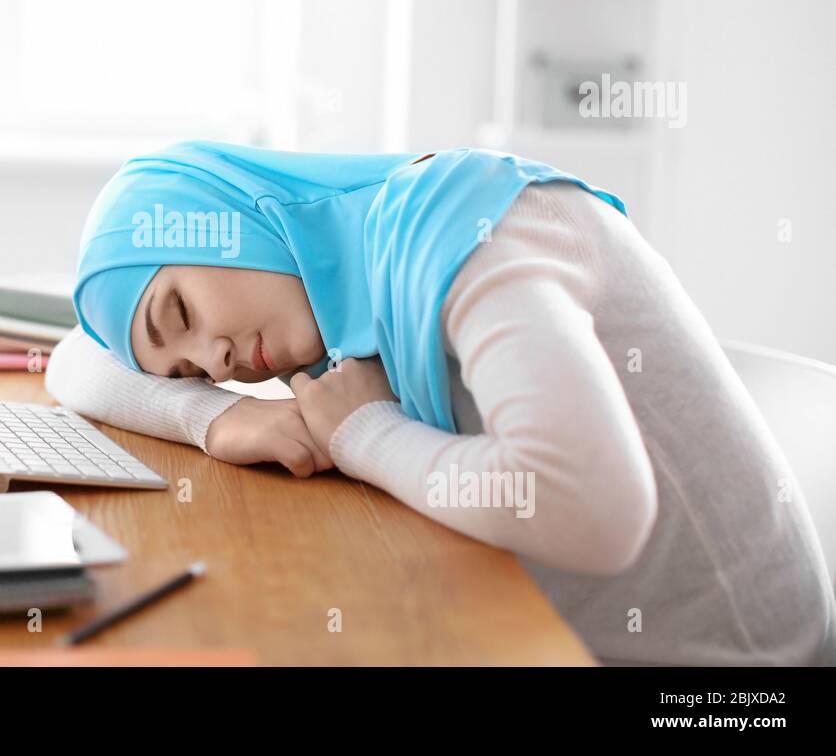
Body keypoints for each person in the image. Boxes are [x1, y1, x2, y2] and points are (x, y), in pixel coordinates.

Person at [45, 141, 836, 665]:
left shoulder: (470, 230)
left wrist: (365, 435)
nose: (212, 358)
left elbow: (594, 508)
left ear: (227, 217)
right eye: (186, 370)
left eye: (180, 313)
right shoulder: (344, 288)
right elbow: (75, 359)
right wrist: (216, 417)